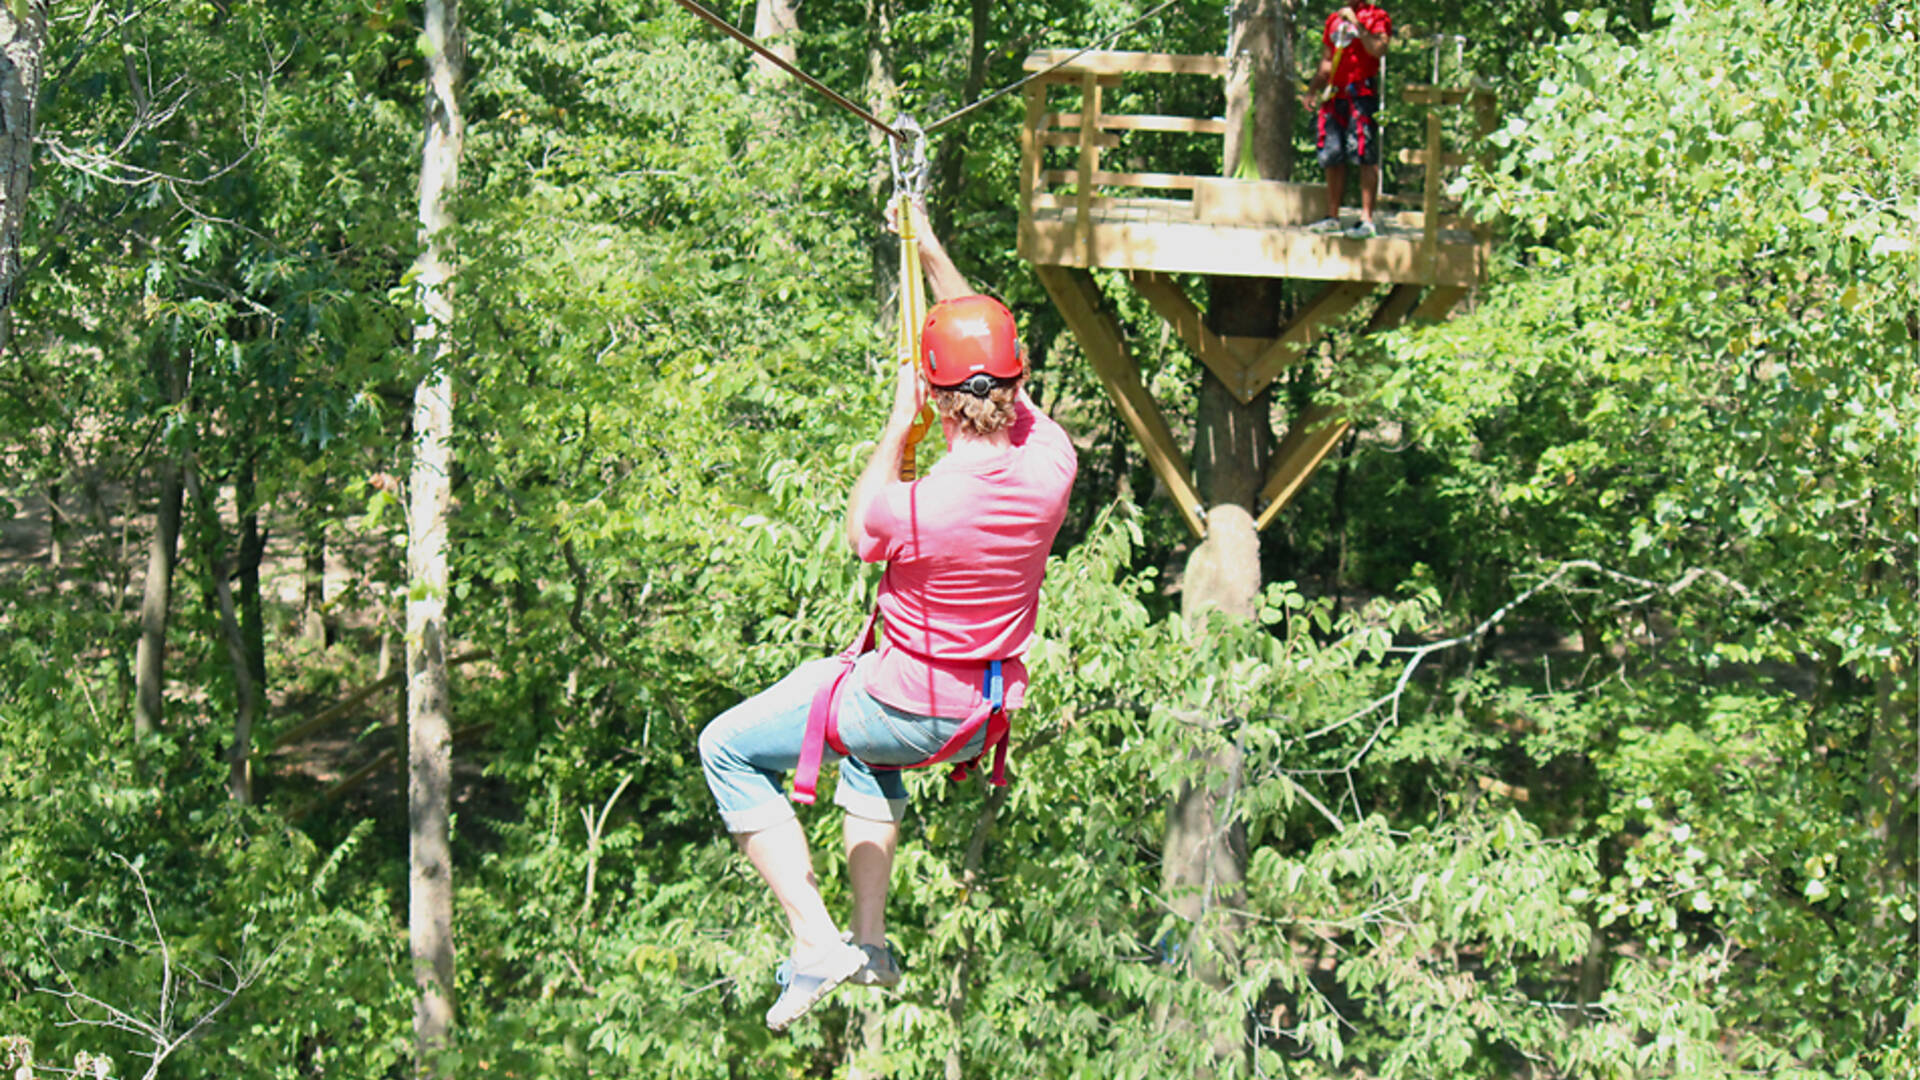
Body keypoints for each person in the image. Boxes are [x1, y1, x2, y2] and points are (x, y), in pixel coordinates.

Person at [697, 204, 1078, 1031]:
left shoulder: (924, 505)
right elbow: (981, 341)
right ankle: (868, 945)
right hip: (981, 714)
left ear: (937, 401)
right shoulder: (1053, 462)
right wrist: (933, 251)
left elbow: (858, 523)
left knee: (725, 746)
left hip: (906, 707)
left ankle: (817, 941)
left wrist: (895, 423)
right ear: (1015, 390)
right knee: (866, 750)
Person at [1302, 2, 1393, 239]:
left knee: (1364, 153)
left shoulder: (1376, 17)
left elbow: (1378, 49)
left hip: (1362, 95)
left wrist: (1358, 25)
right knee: (1331, 154)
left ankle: (1366, 219)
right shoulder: (1333, 20)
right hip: (1334, 94)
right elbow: (1327, 61)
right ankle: (1332, 216)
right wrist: (1313, 89)